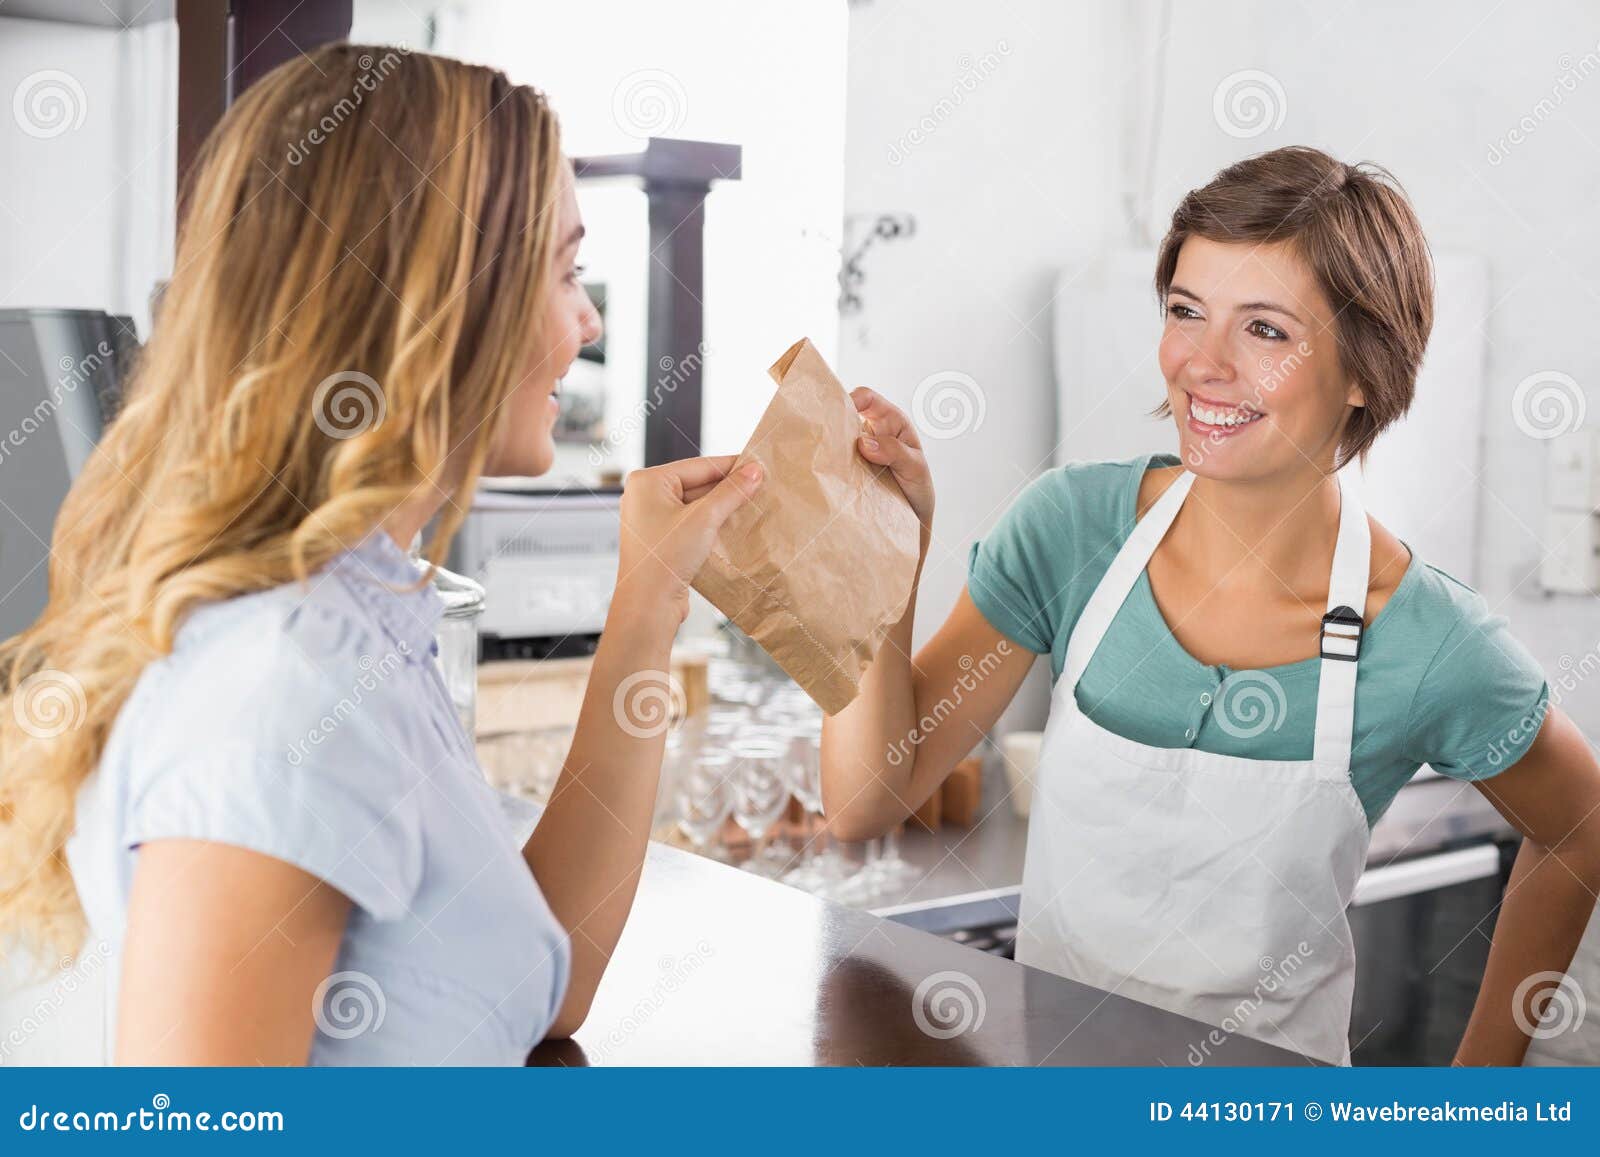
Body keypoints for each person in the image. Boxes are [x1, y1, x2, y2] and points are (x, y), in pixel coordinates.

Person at [0, 45, 763, 1065]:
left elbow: (541, 980)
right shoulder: (284, 678)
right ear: (434, 305)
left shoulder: (356, 614)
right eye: (563, 271)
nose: (586, 322)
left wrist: (651, 596)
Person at [822, 146, 1600, 1066]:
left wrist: (1473, 1104)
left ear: (1365, 370)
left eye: (1265, 329)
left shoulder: (1424, 637)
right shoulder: (1072, 530)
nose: (1202, 363)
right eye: (1186, 311)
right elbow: (865, 801)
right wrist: (885, 549)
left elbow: (1579, 828)